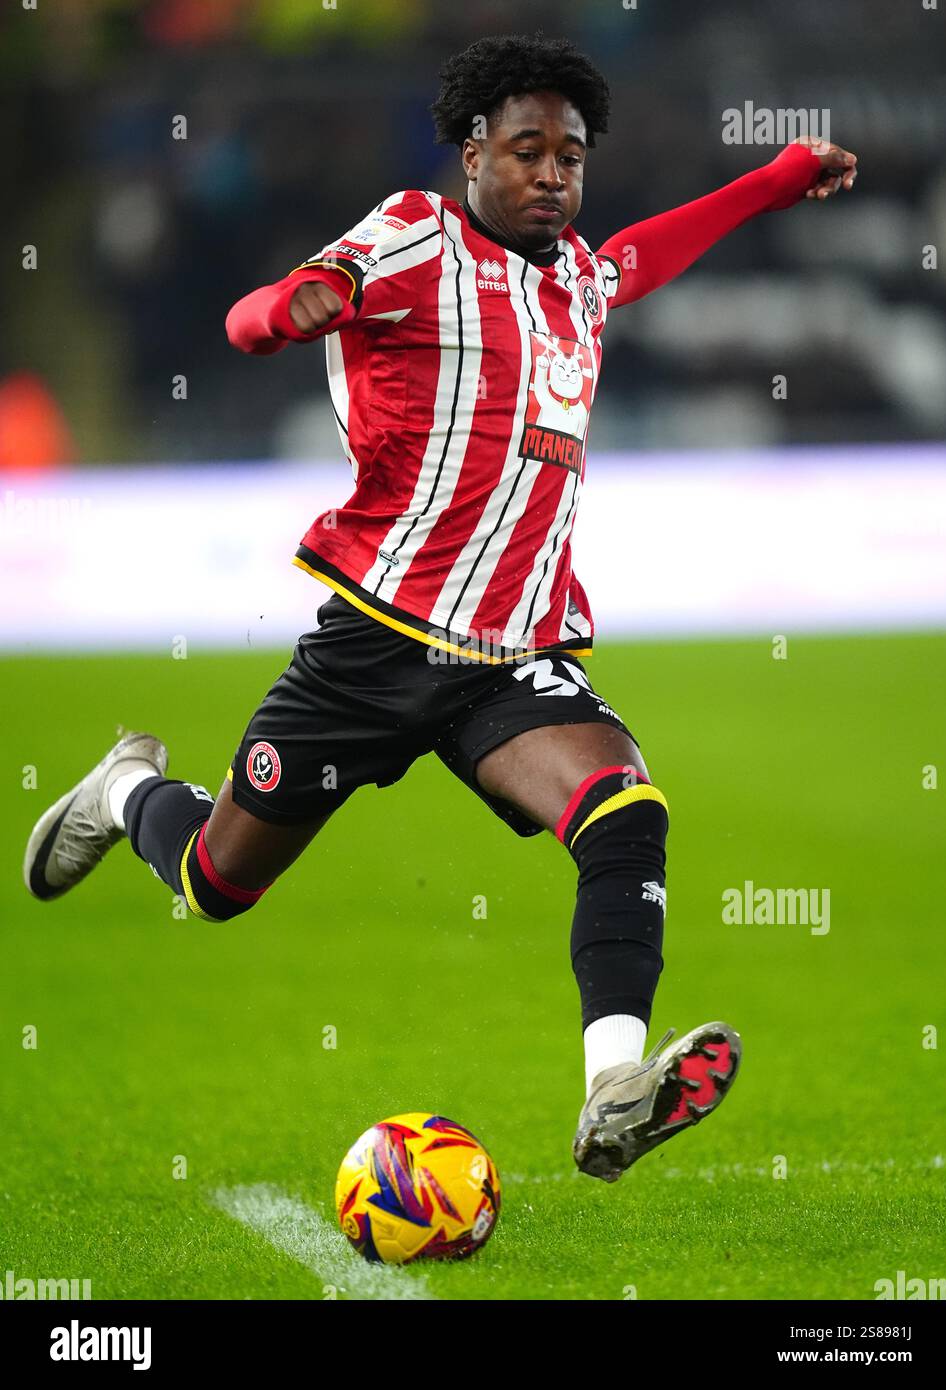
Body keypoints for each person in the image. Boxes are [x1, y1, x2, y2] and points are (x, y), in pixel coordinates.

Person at [24, 33, 857, 1183]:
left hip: (508, 655)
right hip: (373, 645)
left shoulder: (577, 279)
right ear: (473, 153)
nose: (553, 172)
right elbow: (253, 315)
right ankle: (128, 789)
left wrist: (771, 180)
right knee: (217, 883)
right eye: (526, 150)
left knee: (624, 814)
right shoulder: (416, 232)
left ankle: (614, 1086)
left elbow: (641, 256)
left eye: (571, 154)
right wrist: (289, 310)